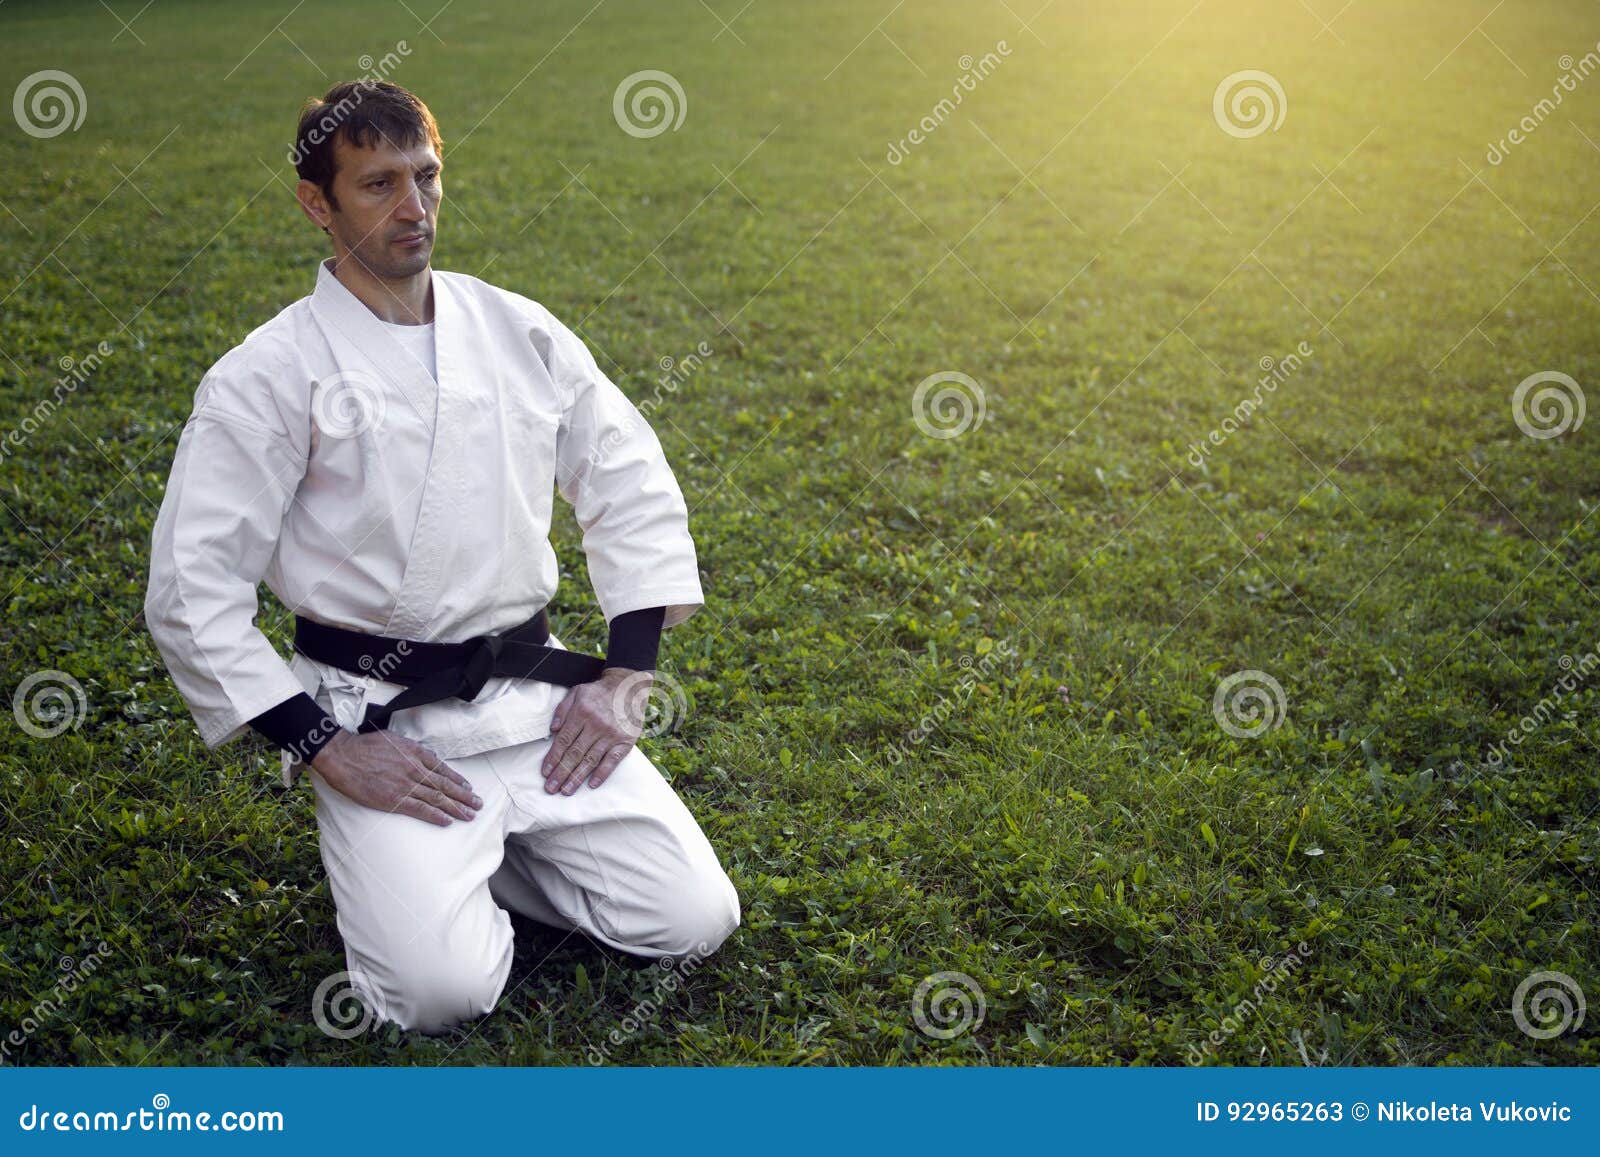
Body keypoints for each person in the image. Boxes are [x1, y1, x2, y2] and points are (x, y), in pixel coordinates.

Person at [143, 78, 739, 1035]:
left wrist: (626, 675)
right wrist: (326, 750)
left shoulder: (516, 329)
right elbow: (189, 589)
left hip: (535, 702)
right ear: (316, 202)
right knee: (436, 997)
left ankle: (493, 853)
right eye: (378, 184)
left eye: (426, 177)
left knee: (692, 920)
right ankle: (438, 861)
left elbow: (628, 481)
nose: (413, 209)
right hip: (382, 723)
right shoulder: (266, 375)